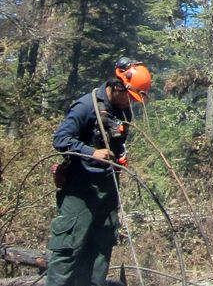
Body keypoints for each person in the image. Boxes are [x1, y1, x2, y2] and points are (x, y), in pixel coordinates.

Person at [45, 59, 152, 286]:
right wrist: (91, 152)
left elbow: (118, 141)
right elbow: (61, 139)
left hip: (108, 189)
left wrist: (120, 156)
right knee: (67, 250)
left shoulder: (124, 112)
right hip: (80, 190)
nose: (129, 103)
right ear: (117, 86)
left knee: (100, 251)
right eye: (128, 97)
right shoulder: (86, 106)